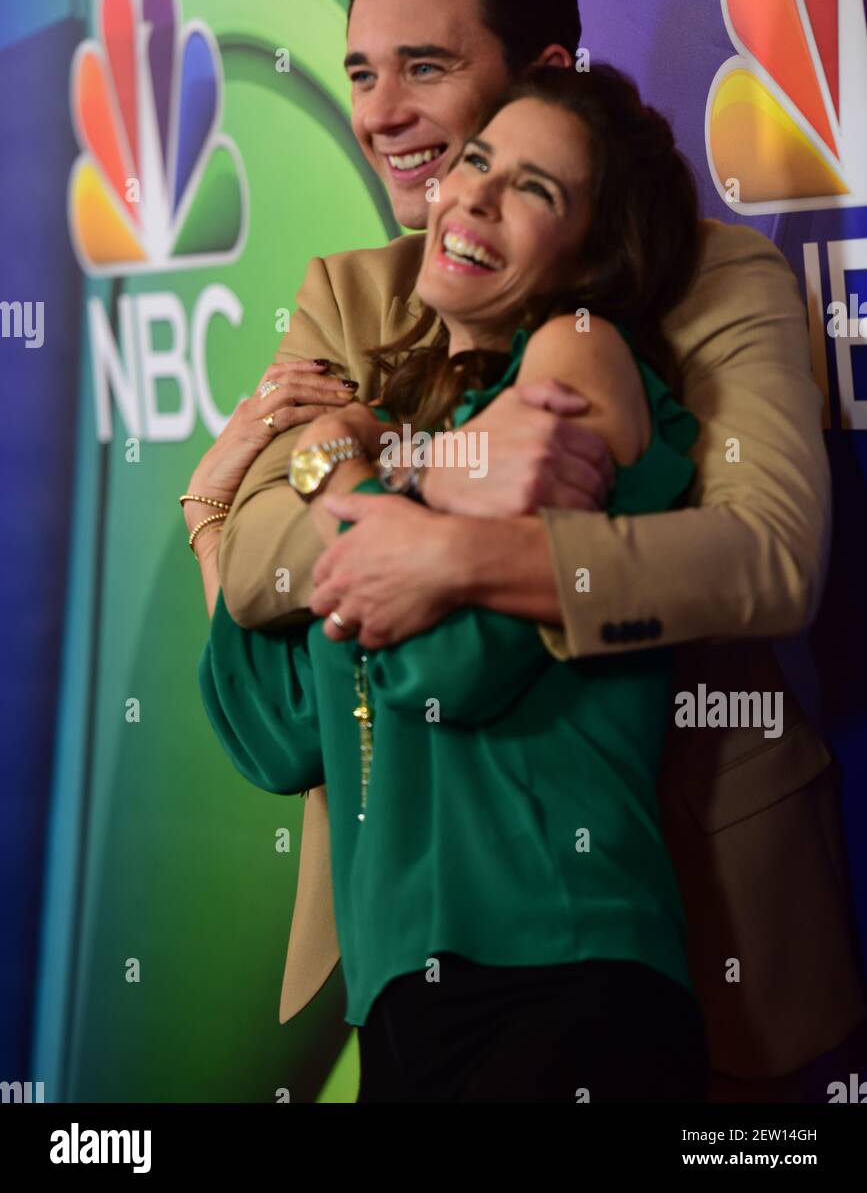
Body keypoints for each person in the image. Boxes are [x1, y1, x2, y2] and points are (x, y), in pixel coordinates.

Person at [183, 0, 866, 1100]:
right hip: (412, 946)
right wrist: (392, 457)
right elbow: (256, 568)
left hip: (677, 918)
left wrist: (449, 555)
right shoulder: (351, 295)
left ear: (549, 77)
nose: (381, 114)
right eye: (360, 72)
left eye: (426, 69)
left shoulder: (710, 285)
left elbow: (765, 560)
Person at [198, 65, 711, 1102]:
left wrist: (345, 463)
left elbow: (450, 661)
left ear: (596, 255)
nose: (473, 194)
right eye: (479, 161)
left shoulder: (583, 351)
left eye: (535, 188)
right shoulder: (427, 436)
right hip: (401, 1008)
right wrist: (211, 505)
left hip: (564, 979)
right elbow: (279, 727)